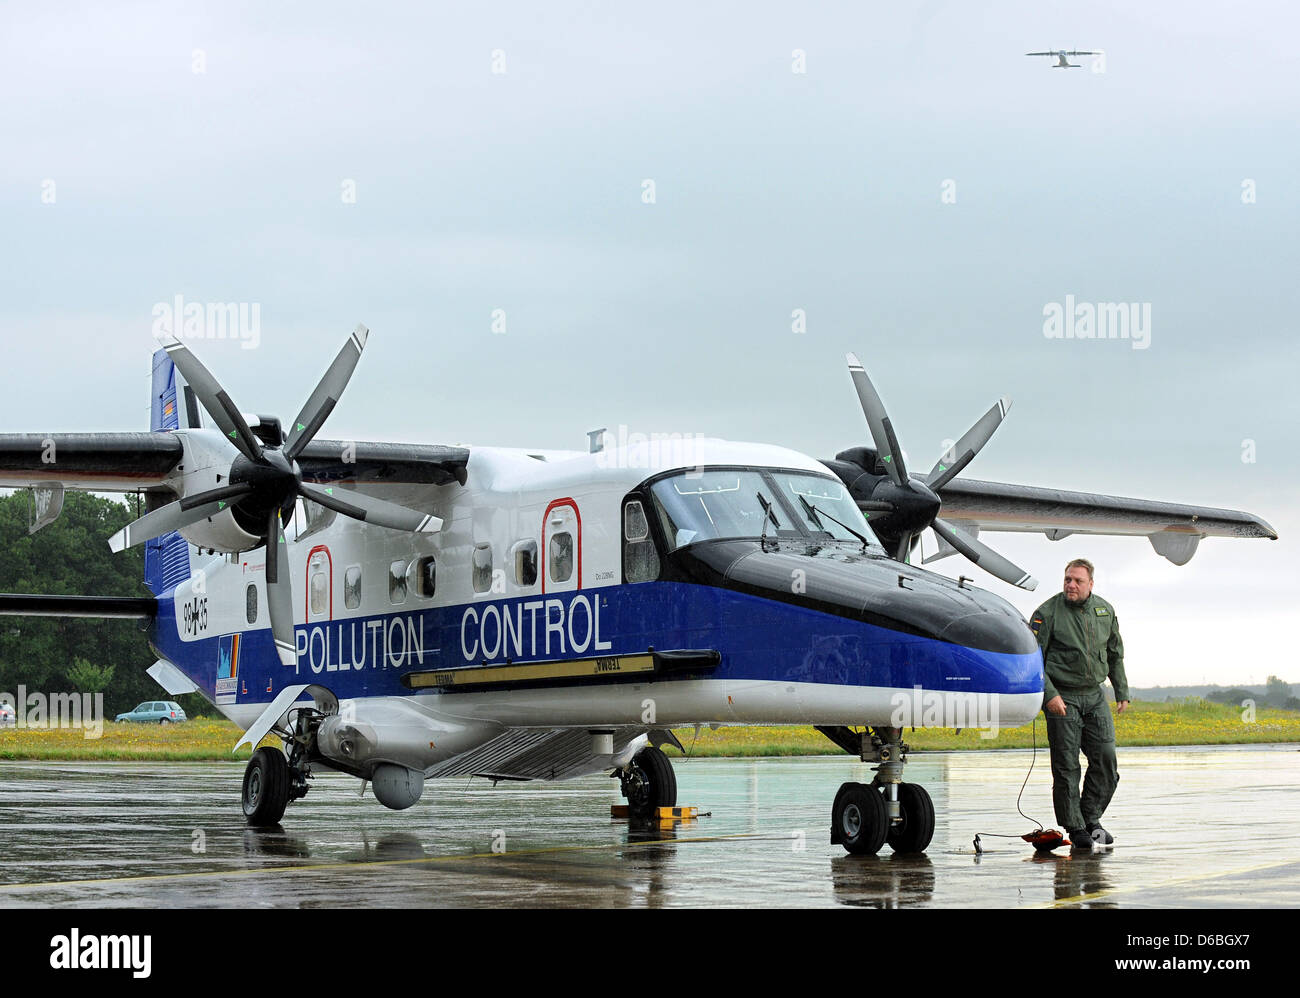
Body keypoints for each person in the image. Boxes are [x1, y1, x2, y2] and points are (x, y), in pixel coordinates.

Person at [1030, 558, 1129, 848]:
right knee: (1066, 766)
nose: (1071, 585)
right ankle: (1075, 827)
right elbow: (1033, 660)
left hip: (1094, 695)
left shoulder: (1104, 610)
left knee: (1106, 759)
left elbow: (1114, 654)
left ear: (1090, 584)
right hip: (1063, 696)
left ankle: (1091, 818)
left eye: (1077, 581)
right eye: (1067, 580)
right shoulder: (1047, 613)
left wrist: (1121, 690)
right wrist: (1050, 695)